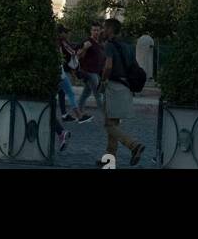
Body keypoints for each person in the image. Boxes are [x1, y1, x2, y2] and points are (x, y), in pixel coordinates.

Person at [99, 19, 144, 167]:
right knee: (114, 124)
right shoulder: (128, 46)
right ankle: (109, 161)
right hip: (126, 87)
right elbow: (135, 67)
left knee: (108, 125)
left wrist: (103, 80)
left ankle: (134, 145)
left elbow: (108, 66)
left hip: (114, 86)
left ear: (110, 30)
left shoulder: (110, 46)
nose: (102, 31)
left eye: (104, 28)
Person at [57, 24, 90, 123]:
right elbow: (72, 52)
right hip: (61, 71)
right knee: (70, 93)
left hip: (60, 71)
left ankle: (64, 115)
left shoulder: (59, 42)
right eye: (65, 32)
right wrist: (83, 46)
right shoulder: (61, 43)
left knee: (61, 93)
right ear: (60, 33)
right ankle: (79, 116)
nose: (67, 34)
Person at [77, 23, 105, 112]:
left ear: (100, 31)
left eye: (97, 30)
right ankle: (106, 115)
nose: (96, 32)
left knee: (86, 93)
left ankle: (79, 111)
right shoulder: (88, 41)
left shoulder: (98, 43)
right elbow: (78, 55)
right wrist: (84, 48)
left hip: (96, 72)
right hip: (89, 72)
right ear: (91, 31)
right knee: (98, 94)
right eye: (94, 30)